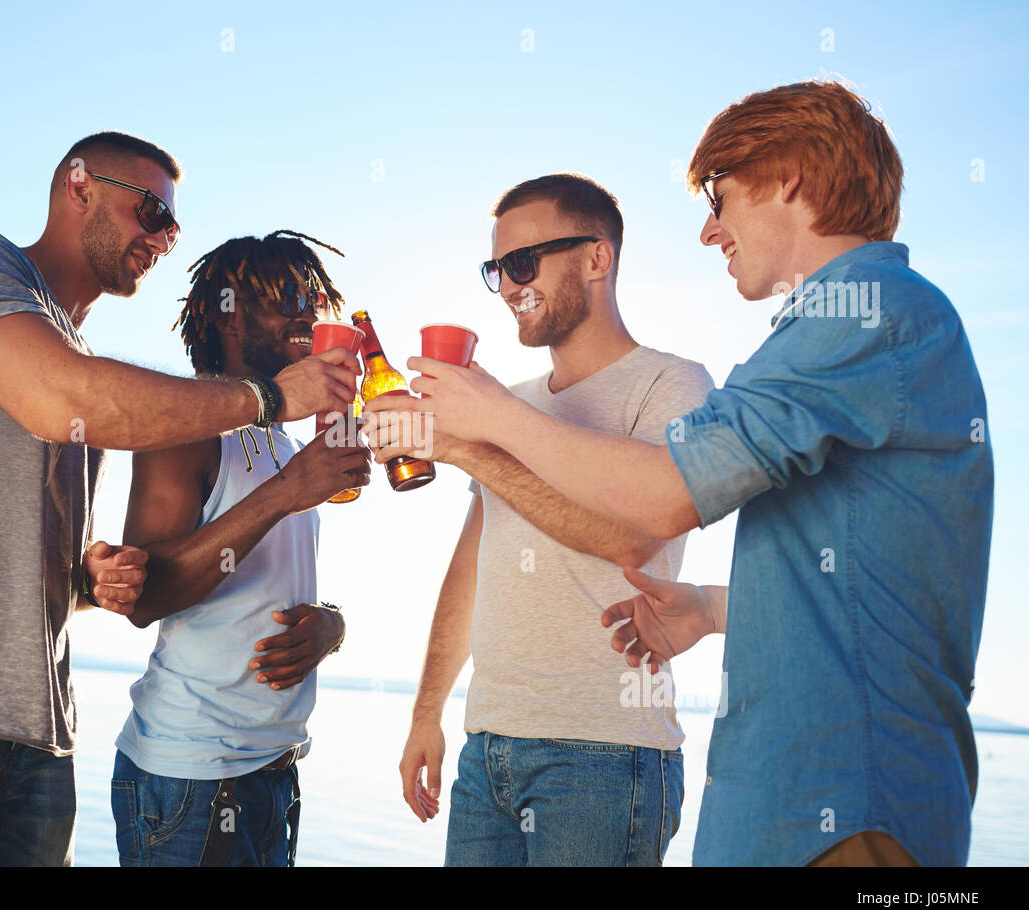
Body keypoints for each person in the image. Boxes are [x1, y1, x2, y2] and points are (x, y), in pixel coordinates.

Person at [368, 80, 993, 866]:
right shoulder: (824, 332)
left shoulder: (865, 312)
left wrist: (483, 423)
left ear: (789, 178)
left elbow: (665, 497)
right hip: (795, 793)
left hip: (843, 797)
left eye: (718, 196)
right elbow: (867, 577)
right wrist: (708, 606)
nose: (707, 230)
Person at [0, 132, 359, 866]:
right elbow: (57, 396)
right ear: (78, 185)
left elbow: (89, 580)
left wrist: (98, 573)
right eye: (152, 209)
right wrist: (273, 399)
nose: (163, 236)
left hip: (37, 734)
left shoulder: (98, 385)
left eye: (173, 226)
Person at [394, 174, 714, 866]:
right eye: (497, 269)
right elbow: (472, 568)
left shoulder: (673, 384)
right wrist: (428, 713)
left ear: (597, 258)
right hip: (489, 751)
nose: (509, 287)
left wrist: (472, 449)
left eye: (523, 263)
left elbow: (633, 537)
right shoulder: (506, 402)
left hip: (605, 754)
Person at [110, 231, 370, 866]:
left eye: (313, 296)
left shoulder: (283, 441)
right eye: (285, 297)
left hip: (273, 771)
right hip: (192, 776)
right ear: (225, 313)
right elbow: (148, 597)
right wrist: (288, 491)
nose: (306, 312)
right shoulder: (186, 428)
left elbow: (273, 584)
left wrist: (331, 626)